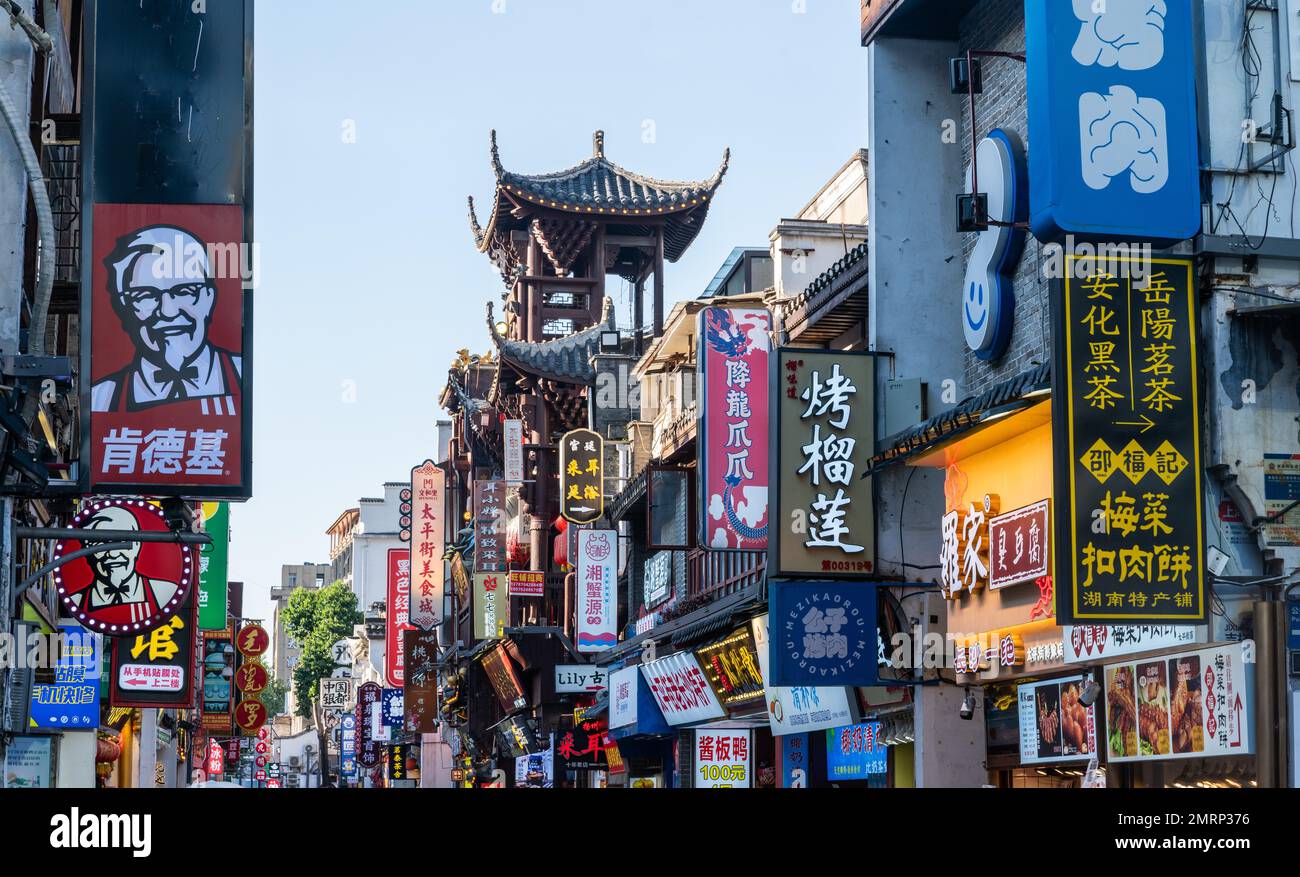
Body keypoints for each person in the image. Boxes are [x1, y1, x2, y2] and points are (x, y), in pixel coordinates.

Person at [91, 225, 242, 413]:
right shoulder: (100, 399)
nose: (168, 311)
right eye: (145, 295)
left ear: (209, 298)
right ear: (125, 306)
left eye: (185, 291)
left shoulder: (245, 376)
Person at [73, 505, 179, 626]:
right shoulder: (76, 599)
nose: (113, 553)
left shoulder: (164, 591)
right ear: (86, 552)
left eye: (122, 542)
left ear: (137, 546)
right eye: (100, 544)